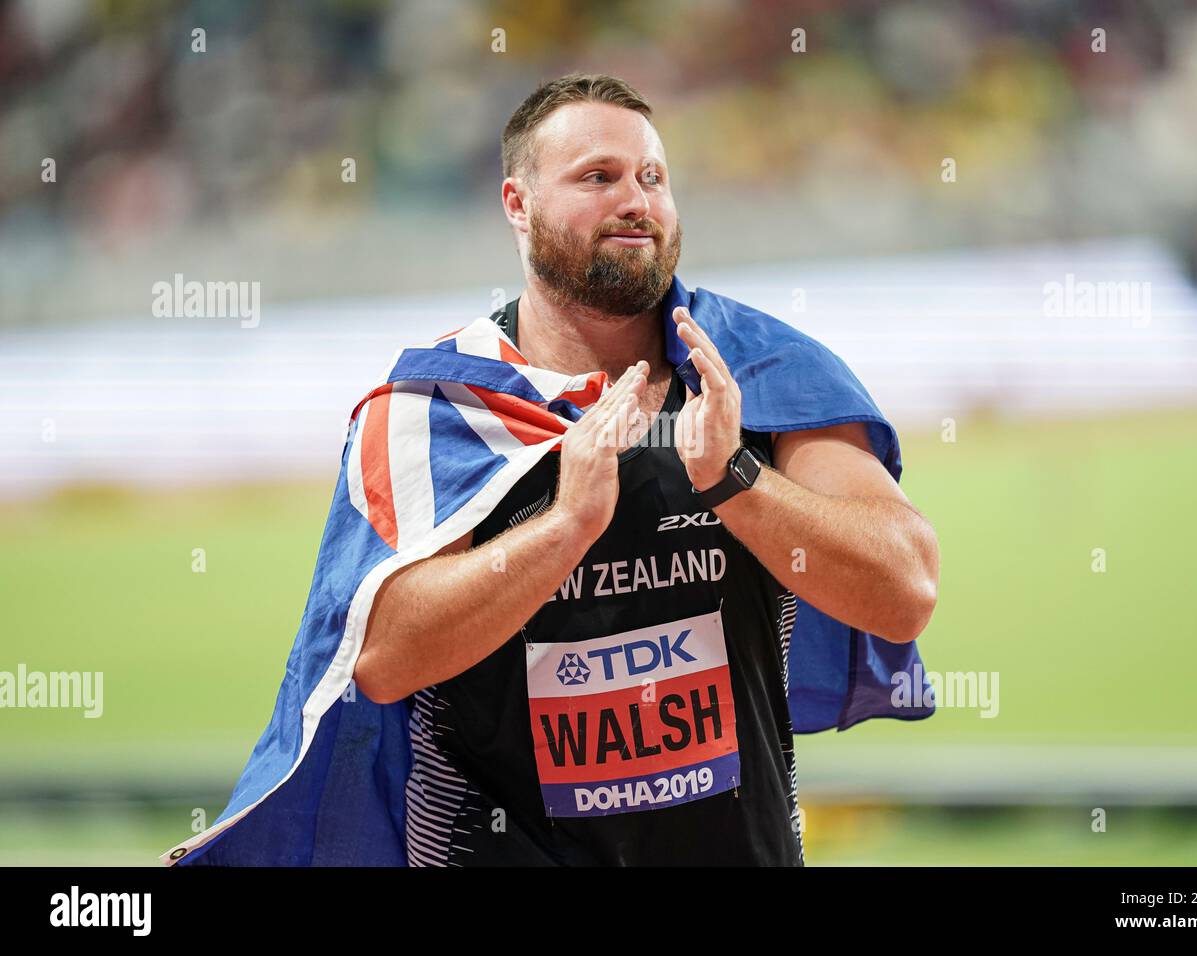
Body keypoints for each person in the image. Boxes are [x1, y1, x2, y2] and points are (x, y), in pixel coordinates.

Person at [349, 73, 941, 866]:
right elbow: (386, 661)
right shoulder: (442, 405)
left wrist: (737, 480)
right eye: (598, 177)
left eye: (651, 178)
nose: (637, 201)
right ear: (517, 205)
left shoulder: (762, 374)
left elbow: (904, 591)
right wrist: (567, 528)